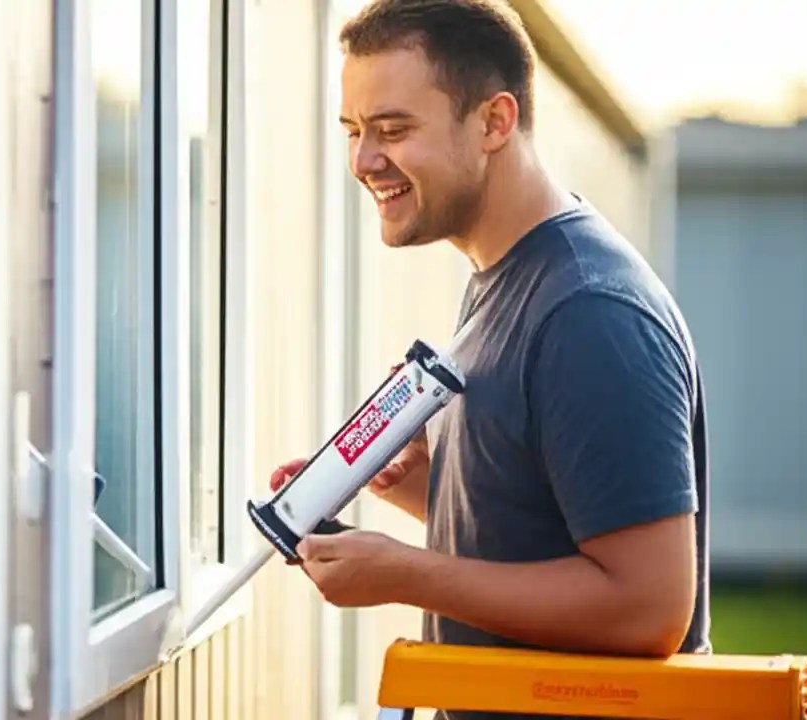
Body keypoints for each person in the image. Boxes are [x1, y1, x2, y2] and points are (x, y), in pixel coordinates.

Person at [269, 2, 709, 718]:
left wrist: (407, 574)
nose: (362, 161)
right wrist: (428, 491)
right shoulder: (501, 280)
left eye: (393, 129)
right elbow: (545, 529)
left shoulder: (589, 311)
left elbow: (648, 609)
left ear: (494, 122)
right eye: (352, 131)